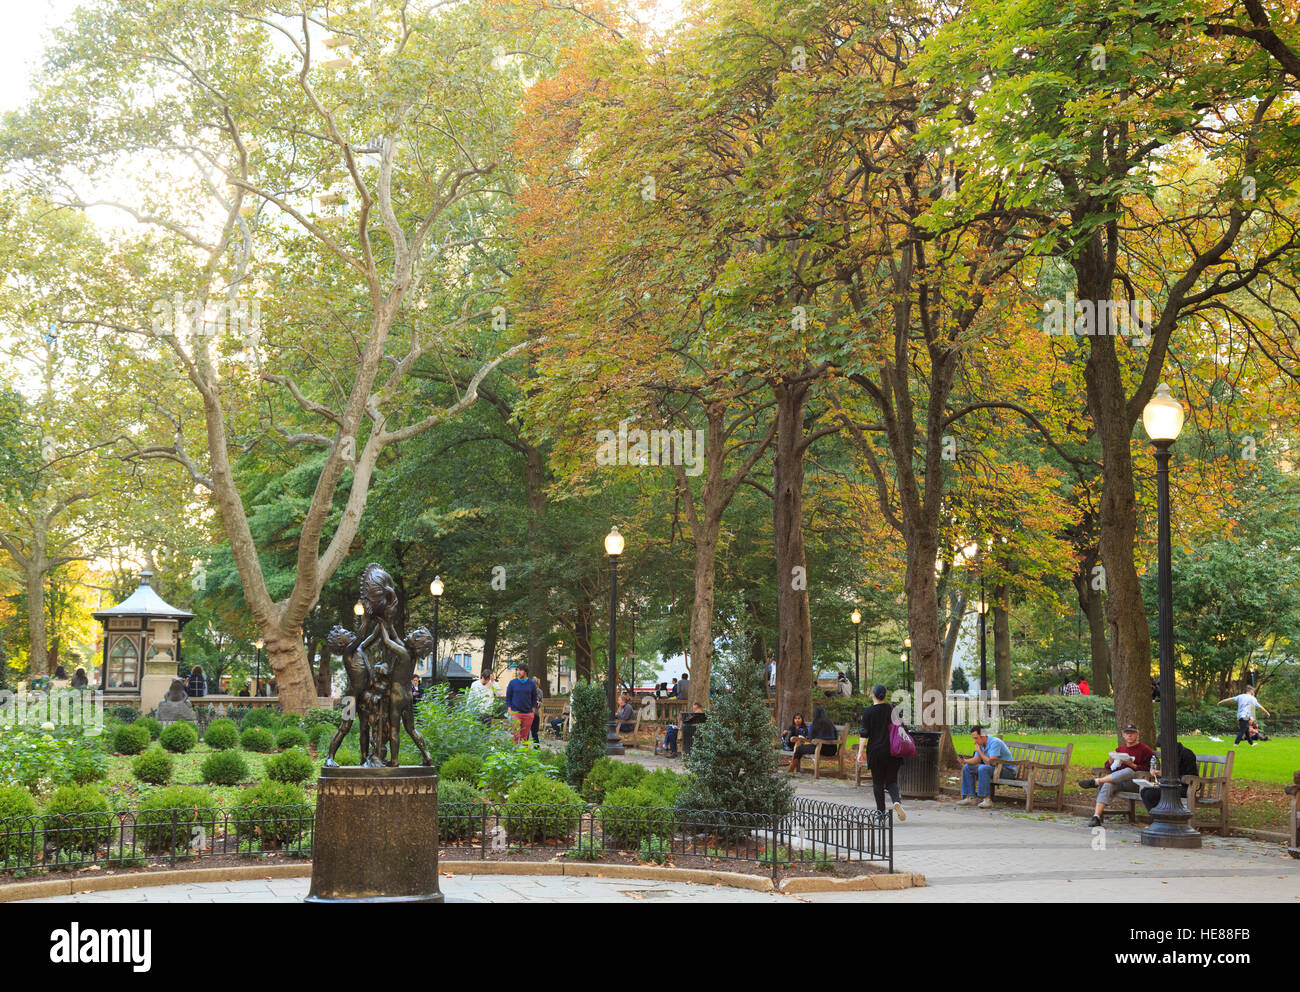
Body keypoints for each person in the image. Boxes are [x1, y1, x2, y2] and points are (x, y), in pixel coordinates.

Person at [1077, 723, 1154, 827]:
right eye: (1127, 733)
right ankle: (1096, 817)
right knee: (1108, 784)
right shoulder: (1120, 749)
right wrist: (1110, 760)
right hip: (1119, 782)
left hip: (1136, 783)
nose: (1129, 735)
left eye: (1132, 733)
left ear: (1137, 735)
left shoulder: (1145, 750)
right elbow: (1108, 767)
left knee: (1128, 771)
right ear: (1123, 735)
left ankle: (1097, 781)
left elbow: (1151, 770)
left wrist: (1132, 765)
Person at [856, 685, 905, 820]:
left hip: (876, 752)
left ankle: (881, 813)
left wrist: (860, 752)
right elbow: (902, 729)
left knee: (877, 783)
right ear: (886, 695)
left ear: (873, 695)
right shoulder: (893, 710)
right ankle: (896, 801)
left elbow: (864, 734)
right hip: (893, 751)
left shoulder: (868, 712)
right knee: (891, 780)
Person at [956, 725, 1015, 808]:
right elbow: (977, 760)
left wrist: (980, 752)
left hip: (1007, 771)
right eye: (973, 738)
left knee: (983, 768)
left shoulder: (995, 742)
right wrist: (965, 761)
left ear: (983, 736)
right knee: (967, 767)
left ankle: (987, 800)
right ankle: (970, 798)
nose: (974, 742)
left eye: (976, 738)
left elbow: (992, 762)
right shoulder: (981, 744)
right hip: (994, 769)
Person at [1139, 740, 1198, 811]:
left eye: (1162, 748)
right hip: (1170, 785)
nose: (1162, 751)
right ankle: (1157, 817)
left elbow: (1192, 777)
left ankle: (1161, 817)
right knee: (1144, 791)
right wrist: (1158, 773)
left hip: (1184, 788)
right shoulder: (1170, 754)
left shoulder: (1187, 754)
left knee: (1150, 794)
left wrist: (1166, 775)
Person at [788, 705, 837, 773]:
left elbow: (811, 740)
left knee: (799, 749)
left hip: (820, 749)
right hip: (832, 750)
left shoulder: (814, 724)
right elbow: (836, 737)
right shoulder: (830, 724)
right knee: (801, 748)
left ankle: (790, 771)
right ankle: (791, 770)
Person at [505, 663, 538, 743]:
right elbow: (508, 697)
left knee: (524, 737)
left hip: (528, 714)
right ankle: (514, 754)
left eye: (521, 670)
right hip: (515, 712)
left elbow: (534, 697)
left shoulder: (531, 684)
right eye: (517, 670)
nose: (518, 672)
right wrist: (509, 710)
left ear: (525, 671)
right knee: (515, 735)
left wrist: (533, 710)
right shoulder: (512, 683)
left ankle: (523, 754)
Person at [530, 676, 543, 744]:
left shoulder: (540, 691)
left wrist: (539, 703)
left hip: (536, 714)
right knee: (526, 731)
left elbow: (541, 703)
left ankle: (536, 747)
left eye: (537, 684)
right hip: (528, 714)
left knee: (535, 732)